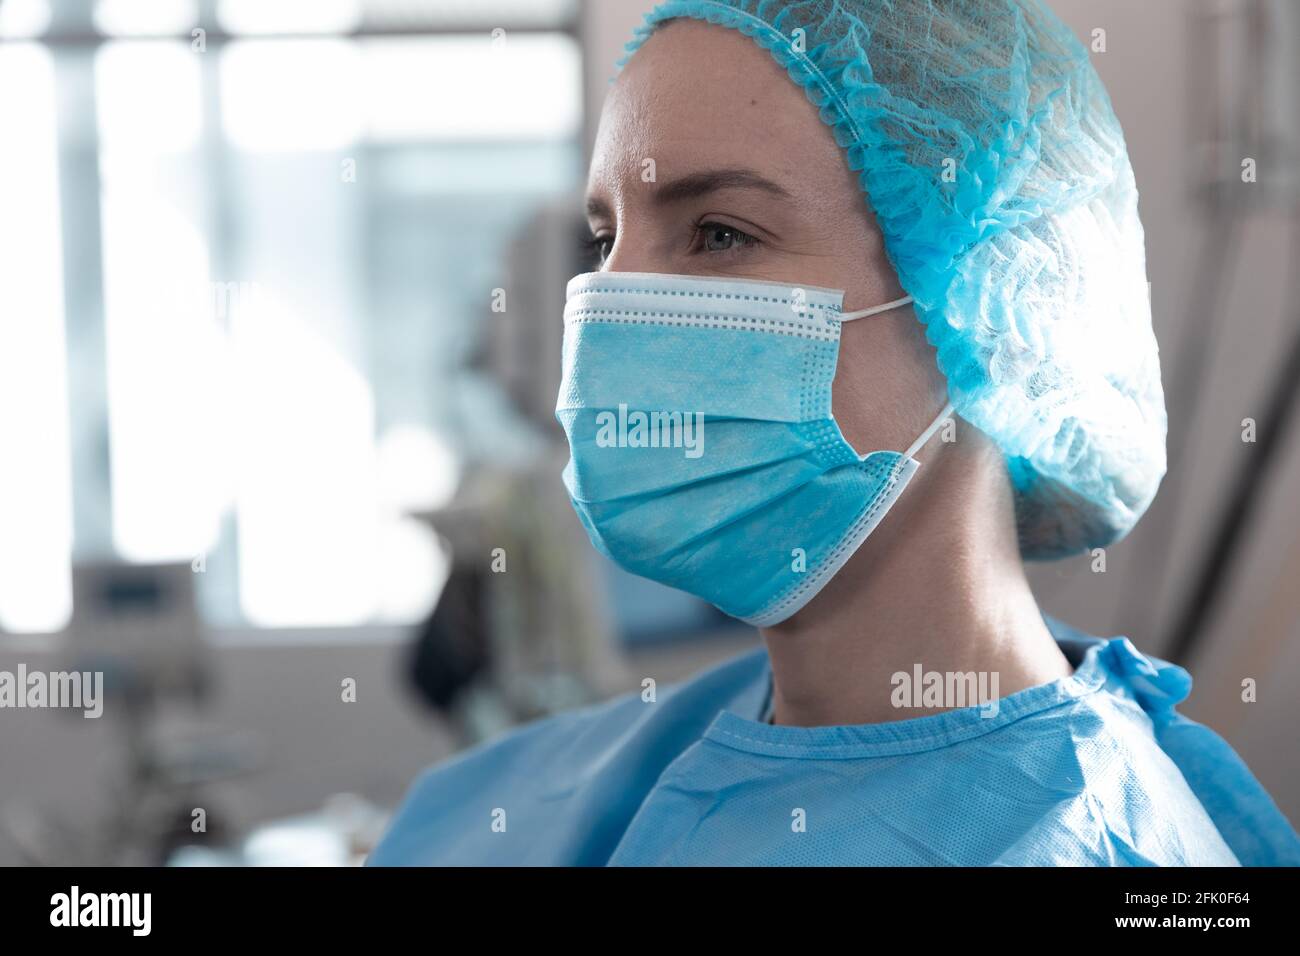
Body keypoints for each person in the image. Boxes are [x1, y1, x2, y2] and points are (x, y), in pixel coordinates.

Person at [369, 0, 1300, 866]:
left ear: (985, 300)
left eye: (719, 234)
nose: (614, 306)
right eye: (605, 240)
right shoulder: (530, 792)